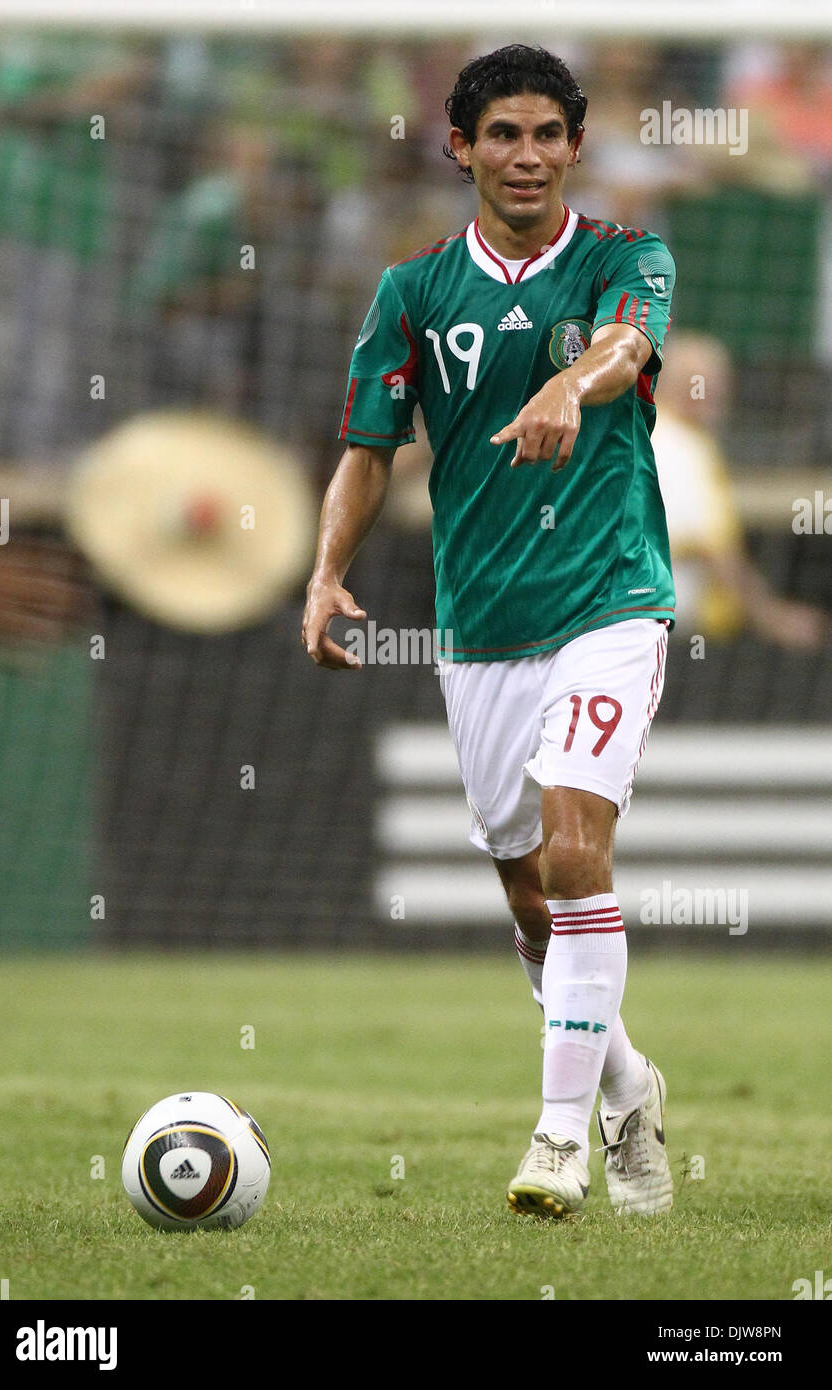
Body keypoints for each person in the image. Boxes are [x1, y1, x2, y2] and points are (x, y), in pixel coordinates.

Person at [303, 44, 676, 1220]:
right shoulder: (411, 293)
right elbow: (369, 452)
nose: (526, 156)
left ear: (575, 145)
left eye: (547, 135)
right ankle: (624, 1082)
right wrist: (323, 576)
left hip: (609, 597)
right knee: (529, 898)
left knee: (576, 855)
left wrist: (573, 384)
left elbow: (625, 344)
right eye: (501, 135)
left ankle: (561, 1138)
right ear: (458, 146)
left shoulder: (625, 258)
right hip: (480, 625)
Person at [652, 332, 829, 648]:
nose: (715, 393)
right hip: (671, 636)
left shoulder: (673, 438)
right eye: (702, 383)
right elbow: (714, 555)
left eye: (719, 382)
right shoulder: (674, 445)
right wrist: (774, 619)